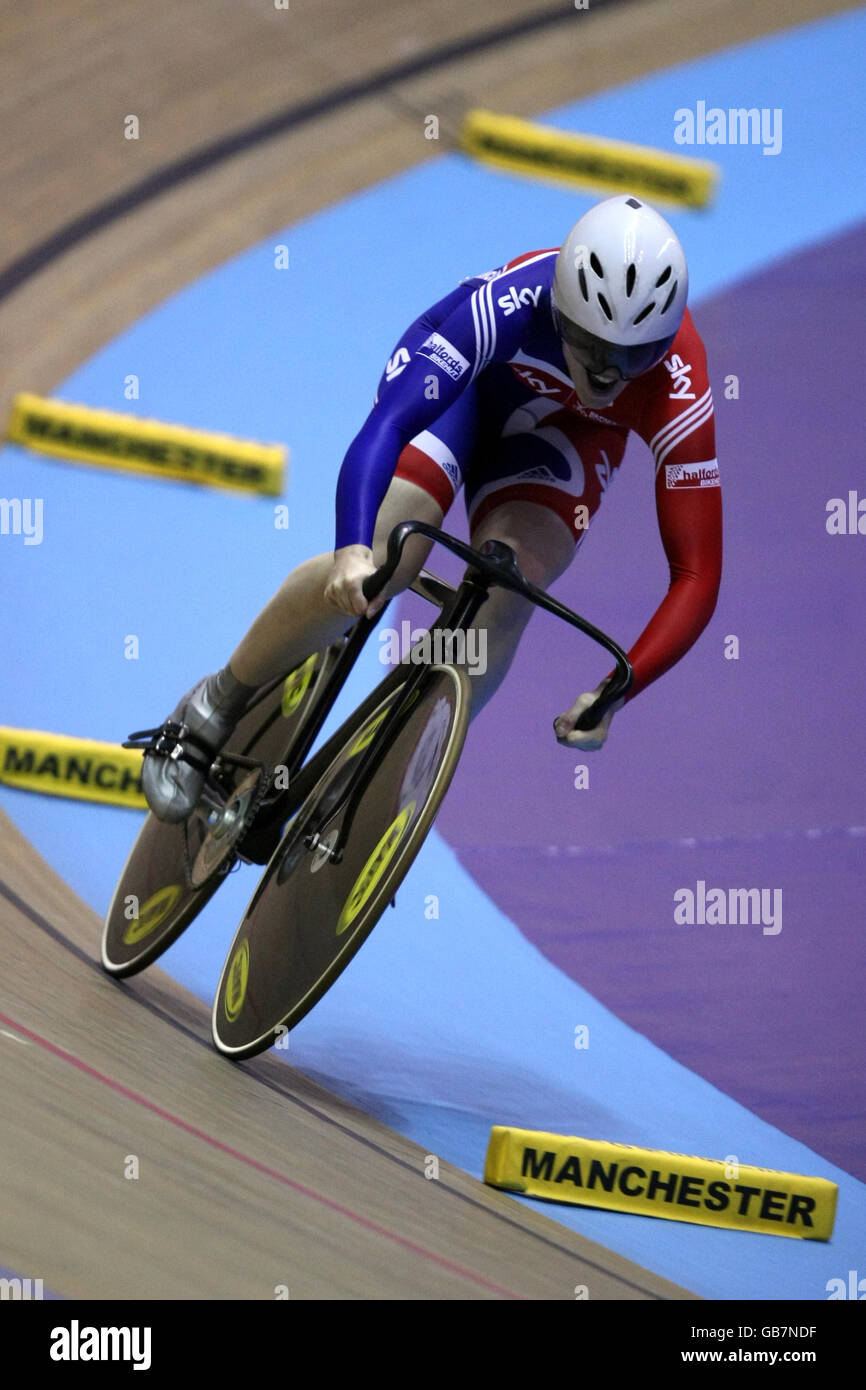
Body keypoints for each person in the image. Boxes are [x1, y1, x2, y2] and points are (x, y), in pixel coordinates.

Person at [142, 193, 722, 823]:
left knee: (513, 587)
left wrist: (620, 688)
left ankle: (384, 795)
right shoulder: (510, 307)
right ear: (560, 312)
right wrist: (352, 549)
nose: (609, 375)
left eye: (633, 356)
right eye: (592, 344)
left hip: (565, 436)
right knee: (393, 554)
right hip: (464, 393)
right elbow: (390, 424)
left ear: (662, 342)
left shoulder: (679, 383)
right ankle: (212, 705)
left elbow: (697, 574)